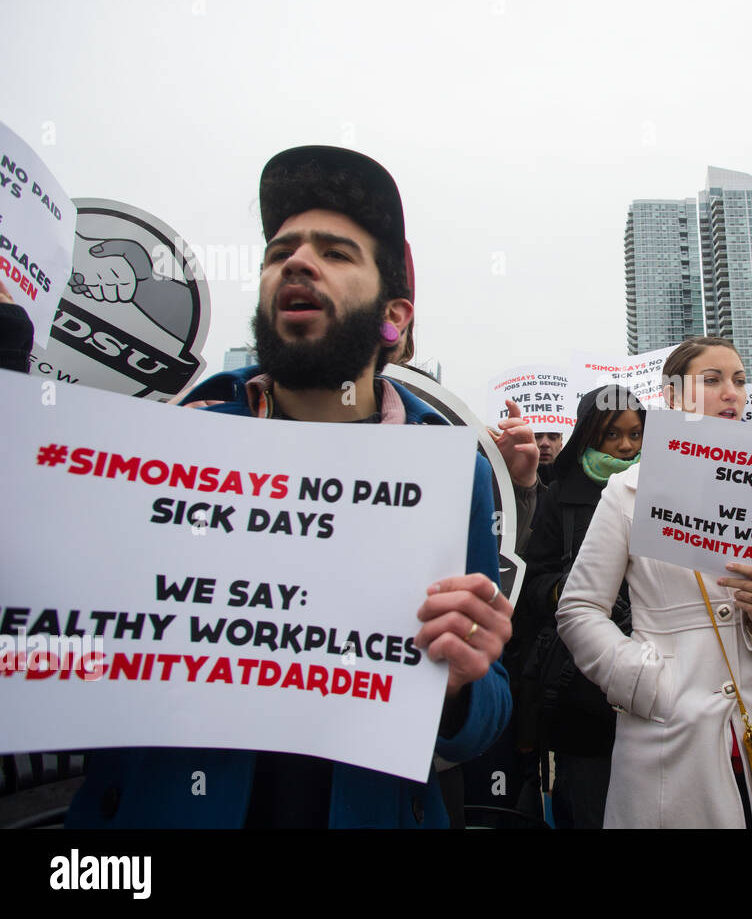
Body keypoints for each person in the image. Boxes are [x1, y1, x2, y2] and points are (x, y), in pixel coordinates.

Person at [67, 145, 516, 828]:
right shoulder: (167, 447)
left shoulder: (454, 473)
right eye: (279, 252)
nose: (297, 263)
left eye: (335, 253)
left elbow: (483, 712)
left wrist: (459, 686)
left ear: (393, 318)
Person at [555, 336, 752, 828]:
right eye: (713, 380)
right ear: (673, 397)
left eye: (740, 381)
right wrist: (643, 680)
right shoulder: (627, 491)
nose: (732, 393)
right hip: (669, 732)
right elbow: (578, 609)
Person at [514, 385, 644, 827]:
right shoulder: (560, 497)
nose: (626, 446)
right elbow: (532, 587)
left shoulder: (664, 492)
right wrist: (569, 591)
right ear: (589, 436)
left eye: (635, 434)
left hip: (656, 682)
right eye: (613, 435)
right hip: (582, 692)